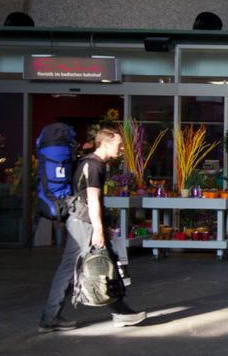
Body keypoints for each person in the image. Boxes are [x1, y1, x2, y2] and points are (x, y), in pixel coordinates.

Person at [39, 127, 146, 332]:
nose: (123, 148)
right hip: (84, 224)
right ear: (104, 143)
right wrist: (98, 229)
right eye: (119, 144)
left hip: (81, 221)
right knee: (95, 266)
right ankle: (120, 313)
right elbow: (93, 200)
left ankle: (50, 317)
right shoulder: (94, 166)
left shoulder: (87, 162)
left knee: (86, 267)